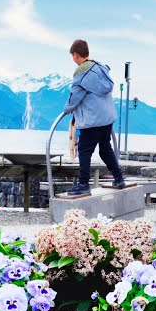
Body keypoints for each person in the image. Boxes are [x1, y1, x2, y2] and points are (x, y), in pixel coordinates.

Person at [61, 39, 125, 196]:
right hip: (107, 118)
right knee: (105, 148)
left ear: (76, 55)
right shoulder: (101, 68)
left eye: (73, 56)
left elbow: (75, 96)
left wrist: (67, 109)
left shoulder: (82, 73)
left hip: (92, 120)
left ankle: (83, 184)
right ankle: (119, 177)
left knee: (84, 150)